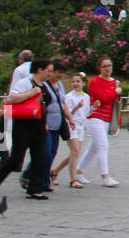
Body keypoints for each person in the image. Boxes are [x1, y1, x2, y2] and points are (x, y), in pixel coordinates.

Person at [0, 58, 54, 201]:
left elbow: (43, 105)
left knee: (41, 158)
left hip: (39, 126)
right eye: (49, 70)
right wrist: (30, 93)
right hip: (23, 125)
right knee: (16, 159)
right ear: (39, 70)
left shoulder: (45, 85)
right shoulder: (26, 83)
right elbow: (11, 99)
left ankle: (34, 190)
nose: (51, 73)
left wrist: (46, 122)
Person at [22, 58, 68, 193]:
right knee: (45, 153)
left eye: (62, 72)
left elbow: (62, 103)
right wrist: (44, 121)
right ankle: (29, 175)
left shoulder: (60, 86)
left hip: (57, 123)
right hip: (46, 123)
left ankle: (43, 180)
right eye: (57, 72)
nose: (60, 75)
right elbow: (41, 103)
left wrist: (69, 118)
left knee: (52, 153)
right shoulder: (44, 85)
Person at [79, 56, 122, 187]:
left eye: (109, 65)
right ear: (99, 68)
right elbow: (102, 98)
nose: (107, 68)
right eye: (104, 66)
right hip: (95, 117)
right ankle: (105, 176)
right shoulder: (95, 81)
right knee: (103, 145)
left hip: (107, 118)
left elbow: (115, 103)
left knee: (93, 148)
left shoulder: (115, 82)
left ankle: (78, 172)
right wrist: (116, 92)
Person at [50, 73, 89, 189]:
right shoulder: (68, 97)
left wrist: (95, 106)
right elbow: (67, 113)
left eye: (78, 81)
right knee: (75, 152)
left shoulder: (86, 97)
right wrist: (76, 107)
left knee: (75, 153)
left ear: (83, 83)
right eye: (73, 82)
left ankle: (55, 171)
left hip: (81, 126)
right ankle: (73, 179)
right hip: (71, 125)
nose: (75, 84)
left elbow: (87, 113)